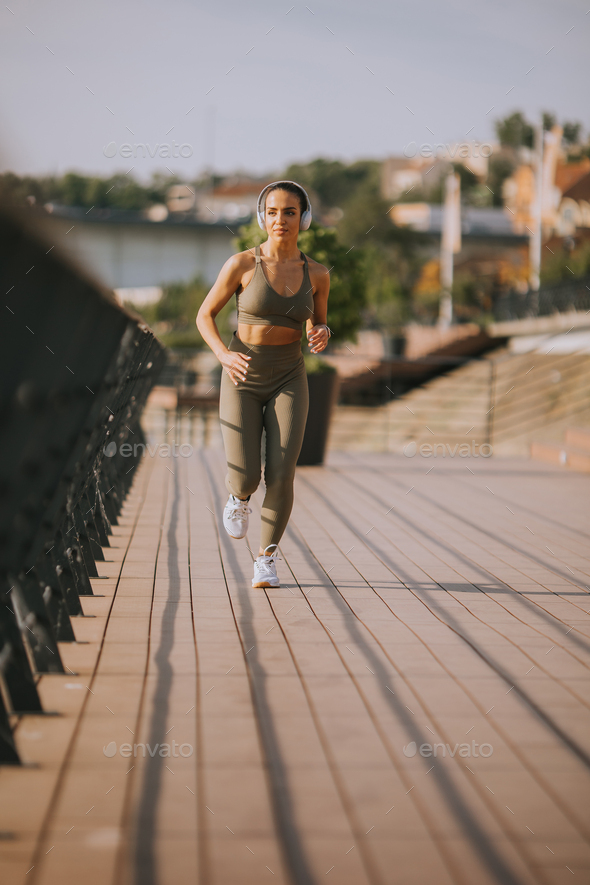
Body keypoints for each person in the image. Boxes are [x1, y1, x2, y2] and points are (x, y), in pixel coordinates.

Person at [197, 181, 331, 588]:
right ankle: (238, 499)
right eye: (272, 212)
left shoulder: (318, 274)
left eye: (290, 212)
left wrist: (322, 331)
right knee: (246, 477)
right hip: (241, 375)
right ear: (262, 217)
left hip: (290, 375)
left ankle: (266, 559)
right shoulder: (241, 264)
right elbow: (205, 316)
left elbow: (319, 321)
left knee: (283, 472)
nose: (280, 220)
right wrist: (223, 355)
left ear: (303, 219)